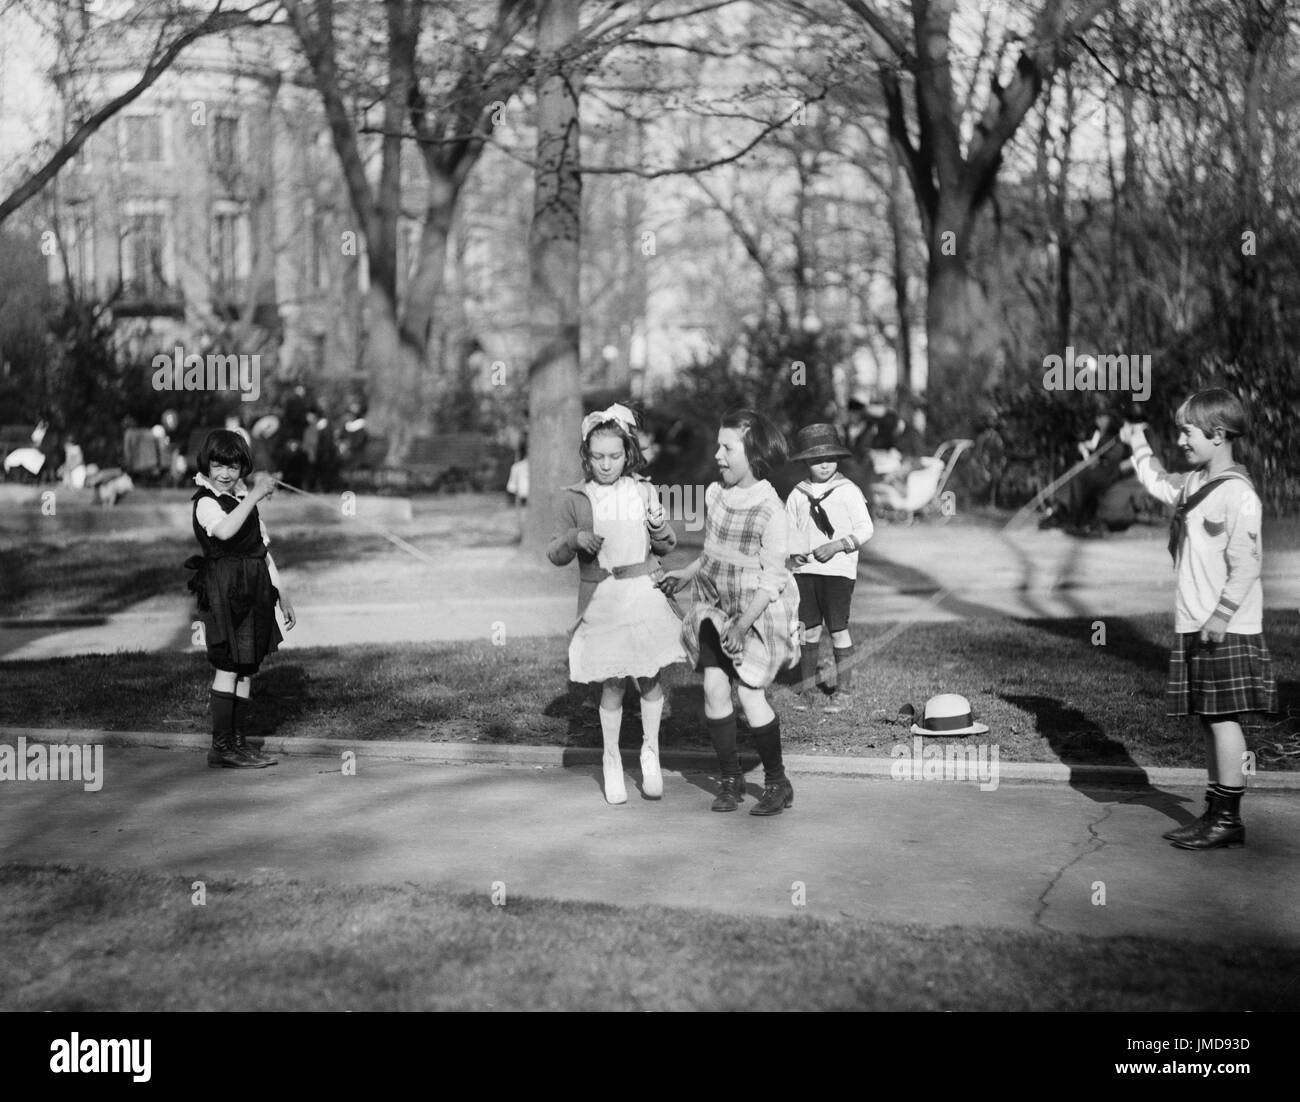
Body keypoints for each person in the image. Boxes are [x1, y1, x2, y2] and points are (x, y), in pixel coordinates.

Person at [1120, 389, 1277, 849]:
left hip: (1223, 627)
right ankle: (1216, 811)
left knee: (1223, 718)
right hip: (1196, 622)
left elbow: (1247, 563)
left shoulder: (1239, 495)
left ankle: (1228, 818)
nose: (1182, 440)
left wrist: (1221, 615)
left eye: (1188, 431)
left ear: (1218, 433)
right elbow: (1156, 481)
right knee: (1210, 719)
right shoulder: (1192, 484)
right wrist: (1138, 442)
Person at [658, 409, 800, 816]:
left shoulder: (772, 509)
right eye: (718, 446)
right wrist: (686, 574)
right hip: (713, 607)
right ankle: (730, 777)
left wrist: (742, 624)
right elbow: (712, 554)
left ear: (752, 455)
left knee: (750, 694)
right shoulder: (714, 494)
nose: (718, 455)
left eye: (727, 447)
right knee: (713, 690)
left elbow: (771, 580)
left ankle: (777, 781)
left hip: (754, 613)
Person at [547, 404, 685, 804]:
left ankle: (650, 751)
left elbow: (665, 545)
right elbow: (555, 552)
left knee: (650, 675)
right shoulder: (577, 498)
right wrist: (574, 539)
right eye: (597, 457)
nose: (606, 465)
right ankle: (610, 758)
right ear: (586, 457)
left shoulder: (641, 490)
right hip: (604, 598)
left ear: (627, 455)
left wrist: (659, 525)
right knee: (612, 680)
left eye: (614, 456)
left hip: (642, 592)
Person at [186, 429, 296, 769]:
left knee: (247, 667)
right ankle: (221, 747)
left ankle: (238, 743)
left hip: (254, 588)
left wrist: (281, 593)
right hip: (224, 591)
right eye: (218, 465)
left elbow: (261, 550)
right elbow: (225, 531)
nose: (225, 473)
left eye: (233, 467)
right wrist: (255, 496)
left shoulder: (240, 498)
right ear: (207, 464)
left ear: (242, 468)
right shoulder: (206, 502)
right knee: (228, 665)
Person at [785, 423, 874, 714]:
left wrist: (837, 545)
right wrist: (791, 555)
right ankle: (807, 689)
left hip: (837, 573)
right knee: (808, 631)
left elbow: (866, 529)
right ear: (805, 461)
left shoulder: (848, 491)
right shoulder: (798, 494)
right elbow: (789, 529)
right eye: (816, 459)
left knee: (837, 629)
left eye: (829, 458)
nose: (824, 464)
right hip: (806, 572)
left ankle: (843, 691)